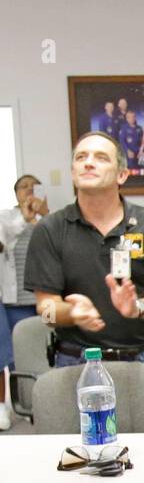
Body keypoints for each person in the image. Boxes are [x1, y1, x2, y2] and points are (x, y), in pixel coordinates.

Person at [24, 133, 144, 379]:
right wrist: (71, 313)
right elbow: (45, 311)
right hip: (76, 362)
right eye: (81, 157)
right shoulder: (49, 230)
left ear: (122, 175)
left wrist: (138, 307)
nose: (88, 162)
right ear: (72, 172)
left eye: (101, 158)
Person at [0, 175, 49, 430]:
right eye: (24, 187)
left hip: (40, 298)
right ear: (15, 192)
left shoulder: (48, 221)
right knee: (9, 355)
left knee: (39, 355)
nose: (29, 192)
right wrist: (26, 219)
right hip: (13, 298)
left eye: (34, 187)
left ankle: (36, 402)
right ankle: (9, 405)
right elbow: (2, 242)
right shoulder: (7, 218)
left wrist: (43, 215)